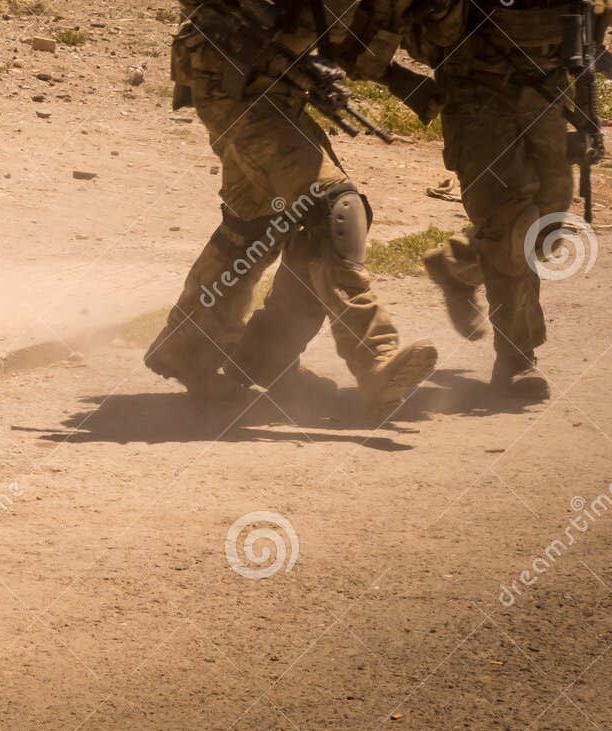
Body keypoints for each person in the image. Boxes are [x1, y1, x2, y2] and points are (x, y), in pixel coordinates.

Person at [147, 0, 440, 421]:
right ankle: (375, 359)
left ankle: (194, 349)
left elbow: (346, 36)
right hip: (235, 87)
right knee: (333, 209)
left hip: (267, 92)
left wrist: (387, 77)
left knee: (255, 225)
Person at [419, 0, 604, 401]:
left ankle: (457, 265)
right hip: (478, 94)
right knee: (512, 225)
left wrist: (591, 114)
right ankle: (517, 358)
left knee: (549, 225)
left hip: (544, 90)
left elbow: (591, 29)